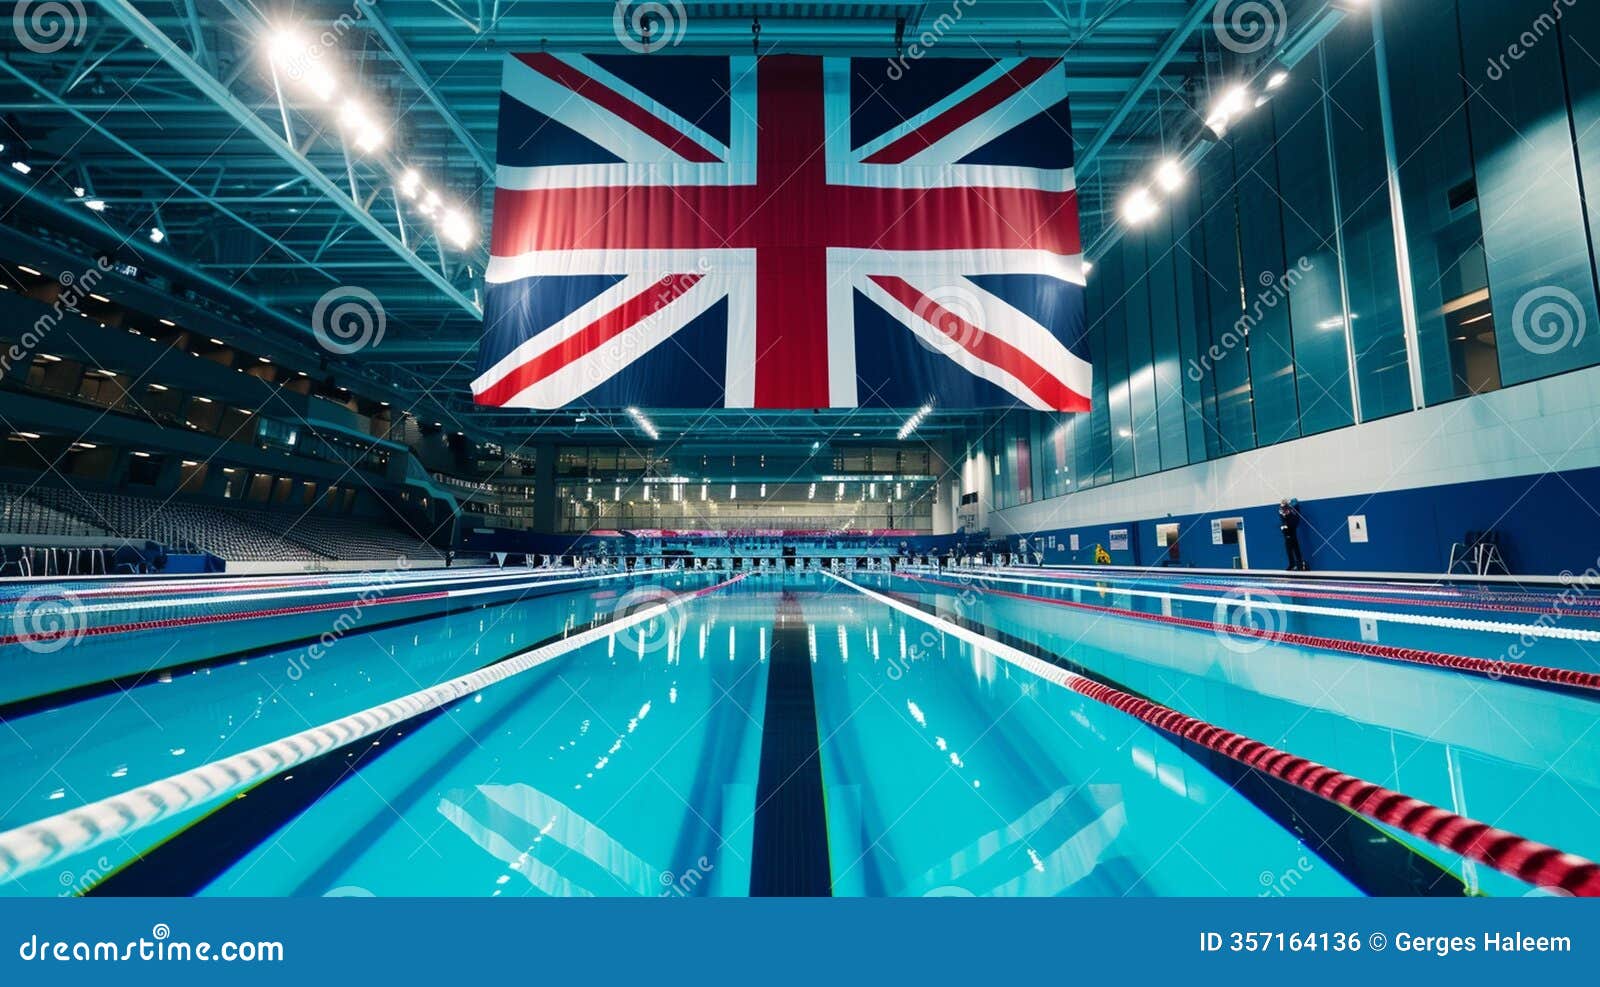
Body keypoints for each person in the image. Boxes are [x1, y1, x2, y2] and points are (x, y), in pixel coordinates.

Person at [1279, 498, 1307, 571]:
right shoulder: (1291, 511)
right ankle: (1298, 564)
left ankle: (1295, 564)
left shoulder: (1291, 511)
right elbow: (1282, 514)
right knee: (1295, 548)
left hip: (1289, 531)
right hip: (1290, 530)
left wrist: (1285, 505)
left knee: (1291, 549)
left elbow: (1284, 515)